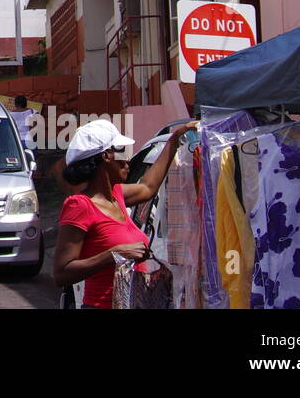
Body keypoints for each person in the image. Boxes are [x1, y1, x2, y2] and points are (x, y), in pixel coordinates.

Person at [52, 118, 196, 309]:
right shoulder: (79, 206)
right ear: (105, 157)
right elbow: (62, 273)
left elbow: (148, 186)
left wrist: (174, 139)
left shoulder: (117, 195)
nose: (127, 159)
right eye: (121, 151)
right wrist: (115, 254)